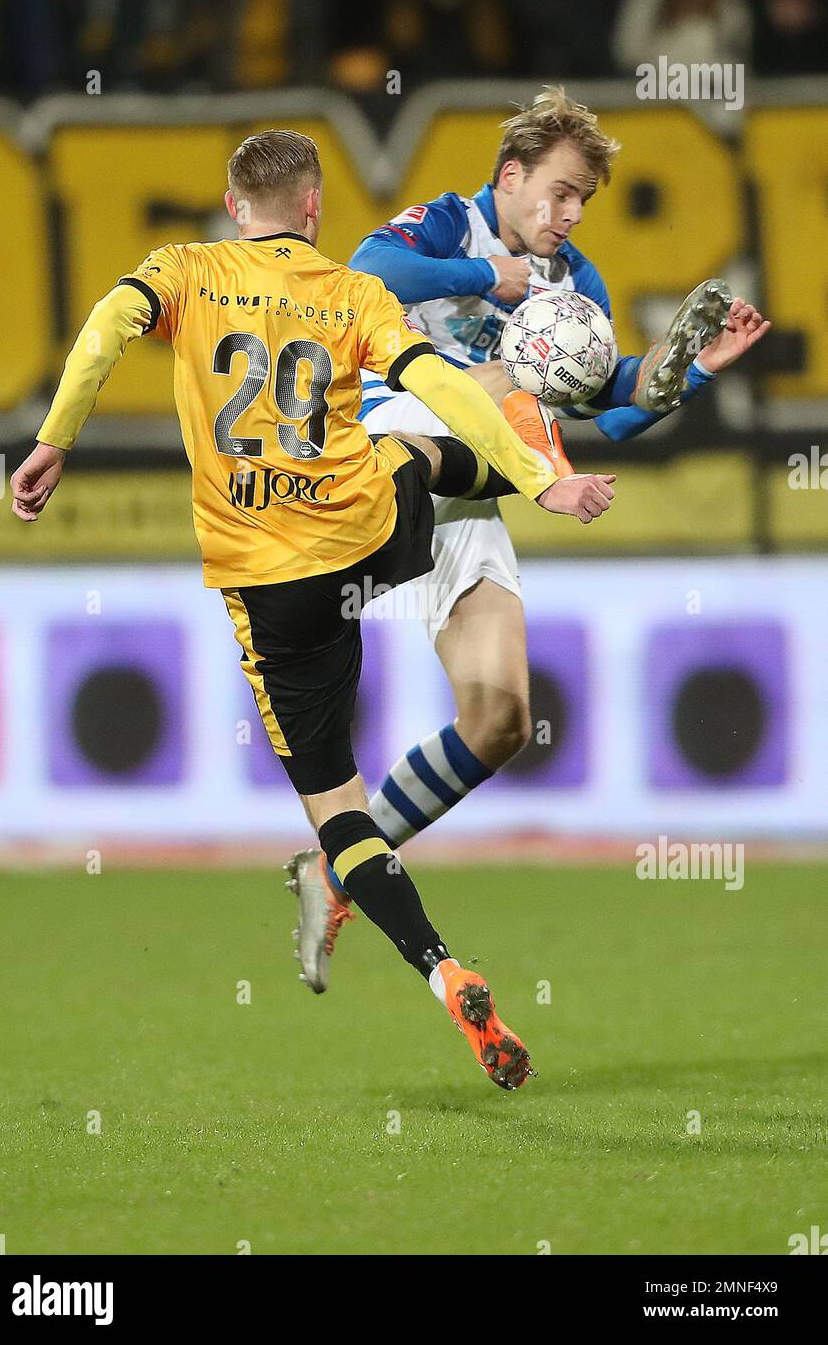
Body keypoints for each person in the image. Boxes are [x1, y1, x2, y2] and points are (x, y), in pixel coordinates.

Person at [9, 128, 617, 1091]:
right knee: (413, 449)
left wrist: (54, 441)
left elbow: (106, 326)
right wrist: (539, 478)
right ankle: (528, 476)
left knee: (339, 813)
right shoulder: (351, 292)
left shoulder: (182, 270)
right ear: (314, 207)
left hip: (268, 587)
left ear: (231, 203)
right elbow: (437, 384)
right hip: (367, 532)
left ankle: (441, 969)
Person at [286, 87, 769, 995]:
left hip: (469, 480)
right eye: (561, 191)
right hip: (383, 437)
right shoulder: (449, 223)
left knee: (500, 720)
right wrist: (484, 277)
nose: (571, 213)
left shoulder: (576, 287)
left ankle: (337, 867)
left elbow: (611, 408)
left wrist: (691, 371)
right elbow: (365, 271)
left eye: (584, 198)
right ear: (510, 177)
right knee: (507, 383)